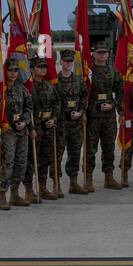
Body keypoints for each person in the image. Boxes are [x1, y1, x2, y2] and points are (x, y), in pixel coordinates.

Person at [86, 40, 123, 189]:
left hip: (108, 117)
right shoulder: (88, 72)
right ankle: (88, 178)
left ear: (108, 54)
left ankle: (109, 177)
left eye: (104, 52)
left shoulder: (114, 72)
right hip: (92, 117)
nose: (102, 55)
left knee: (109, 148)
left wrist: (113, 105)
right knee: (90, 149)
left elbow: (120, 93)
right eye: (99, 52)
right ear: (94, 54)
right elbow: (82, 94)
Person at [0, 56, 33, 210]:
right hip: (8, 131)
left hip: (22, 130)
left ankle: (15, 193)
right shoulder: (0, 89)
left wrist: (25, 121)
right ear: (5, 71)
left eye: (15, 70)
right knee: (8, 163)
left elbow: (29, 107)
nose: (13, 73)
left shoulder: (22, 89)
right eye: (10, 70)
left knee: (21, 163)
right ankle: (2, 195)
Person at [56, 49, 88, 195]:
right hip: (61, 123)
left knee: (75, 152)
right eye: (66, 61)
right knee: (57, 153)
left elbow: (84, 98)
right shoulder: (55, 81)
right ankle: (56, 184)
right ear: (61, 62)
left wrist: (80, 112)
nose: (68, 63)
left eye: (70, 61)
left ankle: (73, 183)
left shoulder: (78, 80)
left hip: (76, 123)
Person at [30, 57, 61, 200]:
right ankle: (29, 189)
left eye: (44, 67)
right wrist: (31, 126)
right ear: (32, 69)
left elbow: (57, 104)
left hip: (48, 127)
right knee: (31, 159)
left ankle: (42, 187)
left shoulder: (49, 86)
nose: (43, 69)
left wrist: (53, 119)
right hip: (35, 128)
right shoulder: (29, 86)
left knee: (45, 157)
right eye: (39, 67)